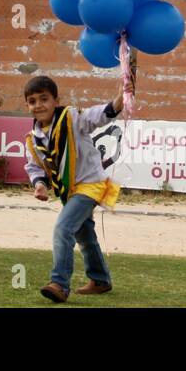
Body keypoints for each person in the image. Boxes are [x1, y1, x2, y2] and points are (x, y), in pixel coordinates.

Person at [22, 74, 126, 304]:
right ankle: (100, 279)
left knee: (63, 228)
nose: (38, 105)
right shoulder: (32, 139)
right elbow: (34, 166)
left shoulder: (71, 117)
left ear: (56, 100)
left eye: (44, 99)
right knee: (84, 234)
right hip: (68, 191)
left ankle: (59, 283)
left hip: (91, 184)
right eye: (32, 101)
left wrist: (119, 99)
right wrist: (40, 185)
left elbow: (97, 117)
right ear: (27, 105)